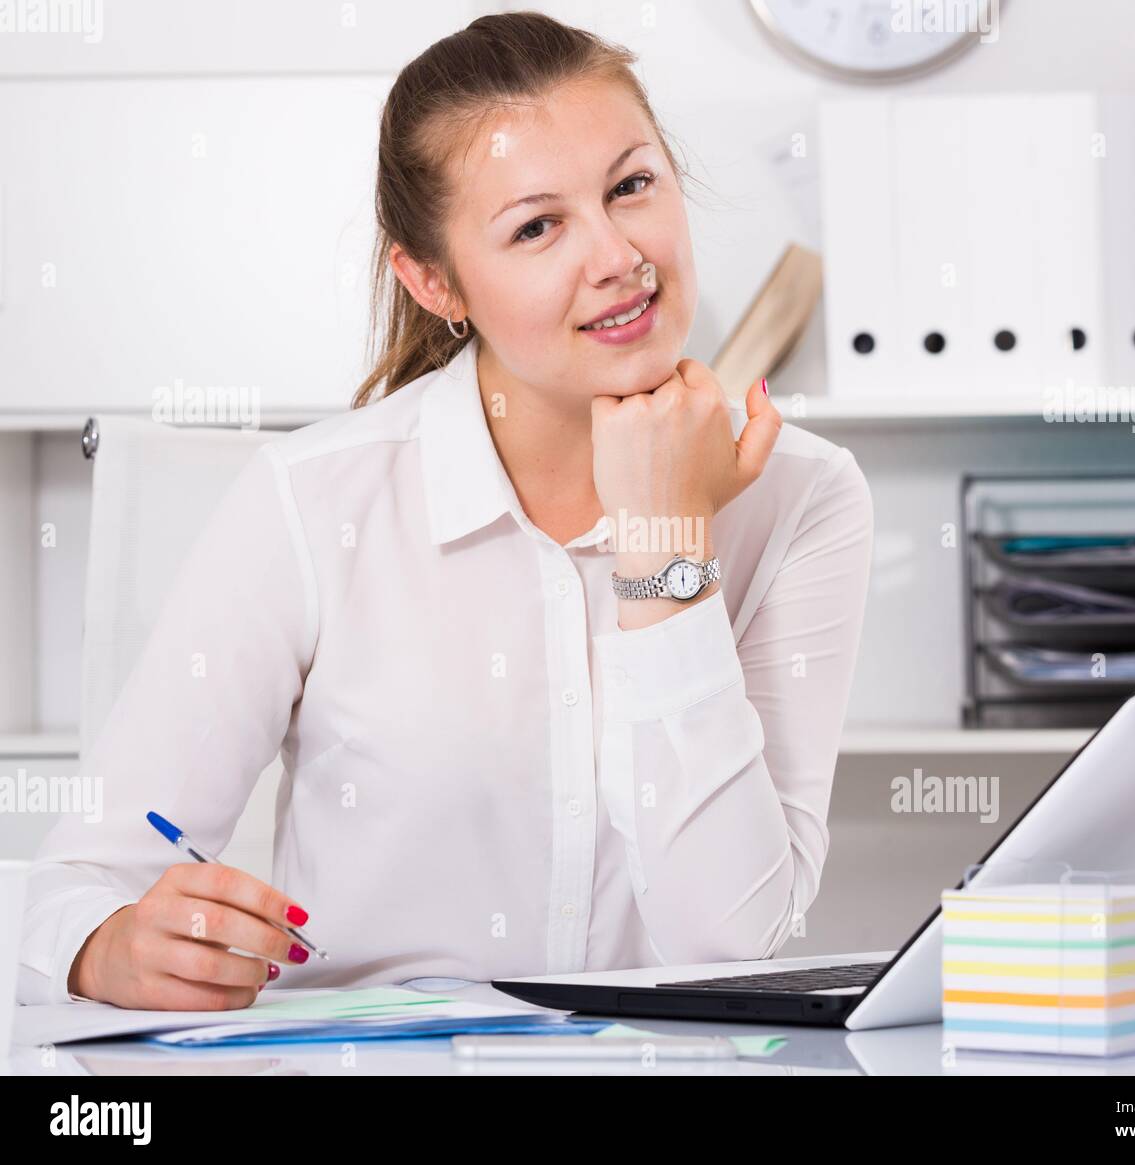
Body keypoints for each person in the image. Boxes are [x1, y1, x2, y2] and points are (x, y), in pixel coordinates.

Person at [18, 11, 873, 1010]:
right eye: (537, 226)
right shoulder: (310, 503)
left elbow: (728, 935)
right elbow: (70, 888)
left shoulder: (805, 495)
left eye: (630, 186)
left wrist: (664, 544)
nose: (615, 255)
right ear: (433, 281)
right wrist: (109, 946)